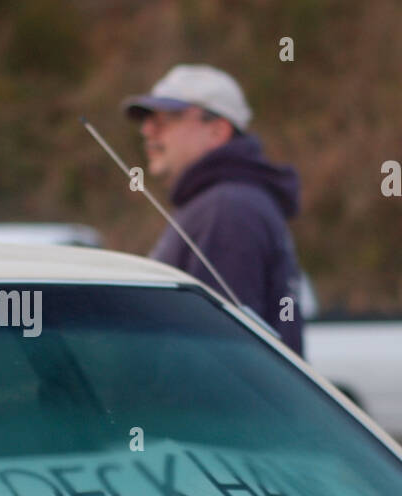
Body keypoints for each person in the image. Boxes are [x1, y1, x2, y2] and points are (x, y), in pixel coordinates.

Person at [122, 64, 305, 355]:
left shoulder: (228, 210)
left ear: (218, 131)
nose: (148, 130)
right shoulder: (224, 202)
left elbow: (223, 352)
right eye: (148, 120)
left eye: (167, 118)